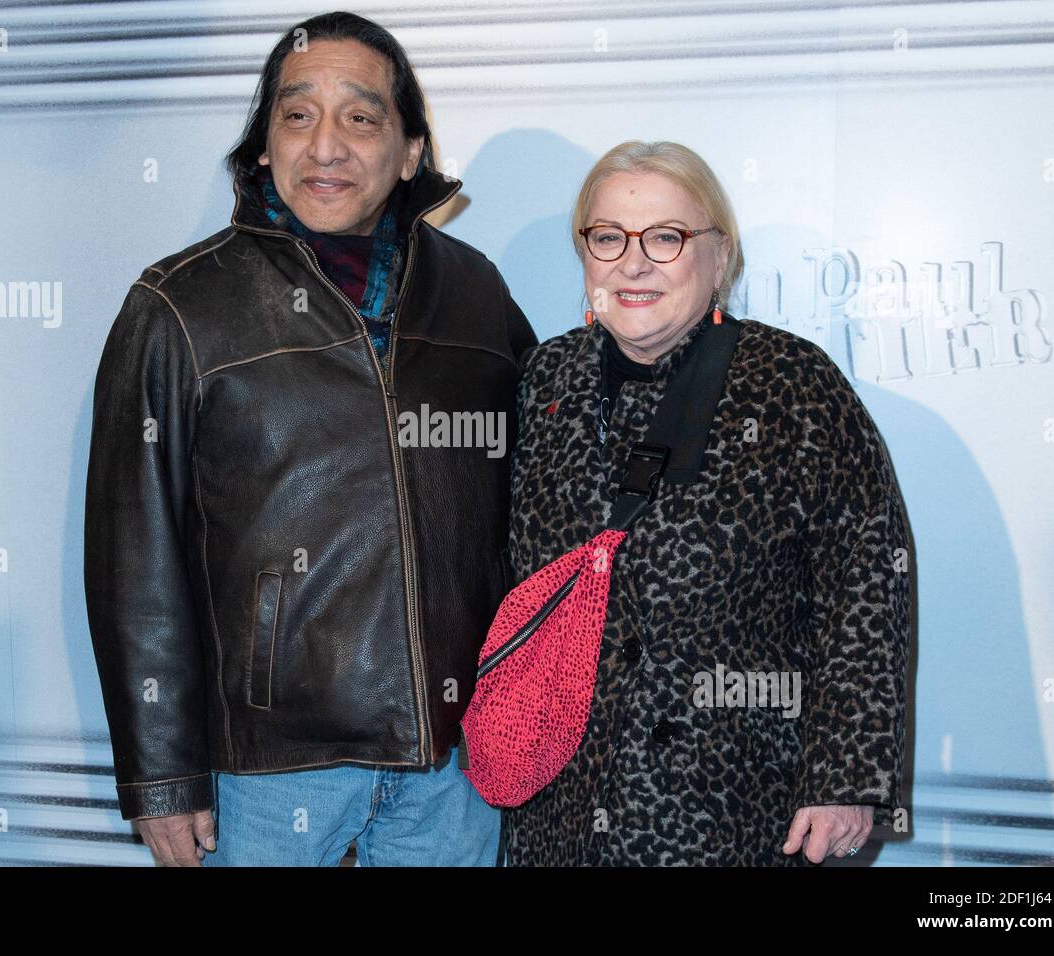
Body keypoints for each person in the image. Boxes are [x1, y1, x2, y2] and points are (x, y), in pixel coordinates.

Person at [83, 11, 536, 866]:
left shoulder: (475, 292)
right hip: (266, 770)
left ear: (409, 152)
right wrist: (162, 778)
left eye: (361, 118)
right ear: (263, 145)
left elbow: (540, 495)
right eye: (297, 115)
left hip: (455, 763)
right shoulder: (180, 305)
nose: (325, 145)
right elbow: (132, 559)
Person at [501, 140, 913, 866]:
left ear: (718, 258)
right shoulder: (544, 379)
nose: (633, 262)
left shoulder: (793, 384)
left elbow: (866, 588)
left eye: (666, 237)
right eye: (607, 237)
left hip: (733, 803)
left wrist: (845, 778)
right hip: (562, 801)